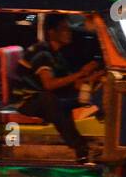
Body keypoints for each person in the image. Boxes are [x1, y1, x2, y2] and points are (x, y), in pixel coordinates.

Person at [14, 14, 102, 163]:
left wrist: (92, 77)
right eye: (64, 29)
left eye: (68, 29)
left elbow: (68, 83)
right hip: (27, 101)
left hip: (46, 96)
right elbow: (50, 84)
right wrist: (80, 73)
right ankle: (80, 148)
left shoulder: (57, 54)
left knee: (83, 97)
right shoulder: (41, 52)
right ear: (51, 32)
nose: (69, 32)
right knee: (51, 100)